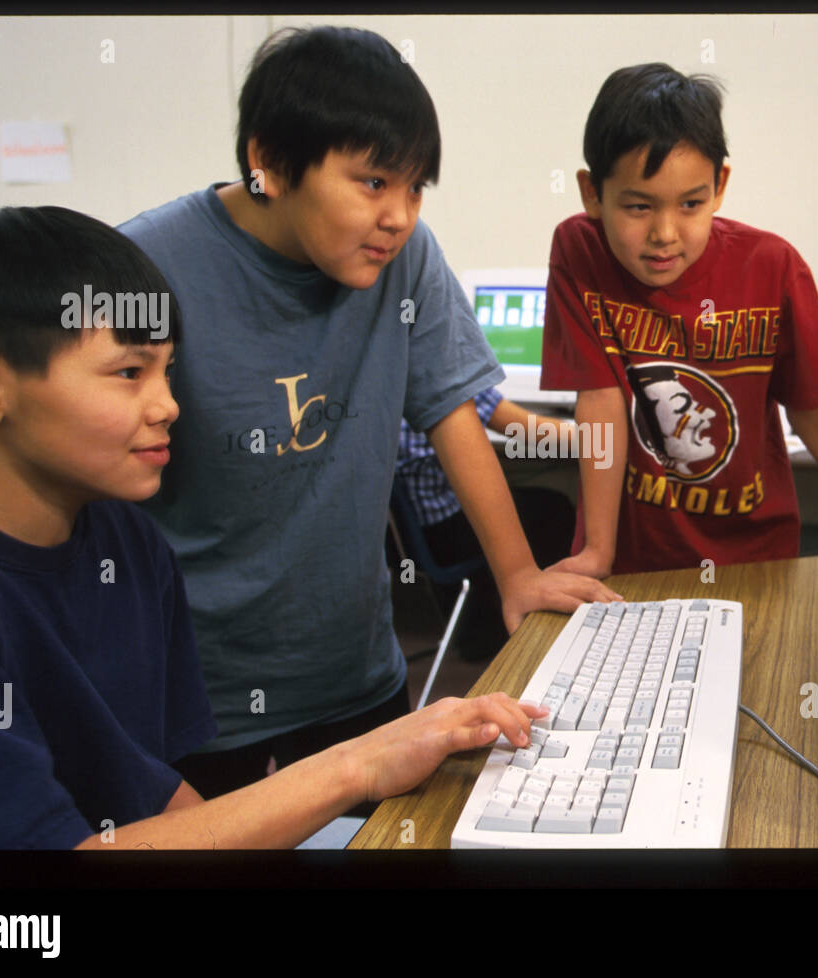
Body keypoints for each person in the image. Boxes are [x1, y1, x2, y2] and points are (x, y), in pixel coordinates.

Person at [0, 206, 547, 849]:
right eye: (130, 373)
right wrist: (355, 765)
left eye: (167, 372)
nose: (168, 405)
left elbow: (157, 794)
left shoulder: (127, 543)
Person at [116, 26, 615, 800]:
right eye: (374, 182)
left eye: (416, 188)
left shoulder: (403, 258)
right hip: (196, 686)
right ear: (269, 163)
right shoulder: (149, 267)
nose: (400, 215)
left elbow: (453, 408)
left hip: (353, 670)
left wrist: (516, 576)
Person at [540, 63, 818, 577]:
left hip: (756, 561)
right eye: (638, 206)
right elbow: (600, 402)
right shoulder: (580, 252)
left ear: (720, 186)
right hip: (633, 565)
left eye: (691, 204)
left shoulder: (773, 267)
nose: (665, 233)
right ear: (591, 194)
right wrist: (597, 552)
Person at [394, 387, 577, 660]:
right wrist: (607, 438)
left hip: (415, 538)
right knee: (555, 507)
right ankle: (549, 633)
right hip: (452, 531)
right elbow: (529, 430)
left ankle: (481, 631)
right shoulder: (447, 381)